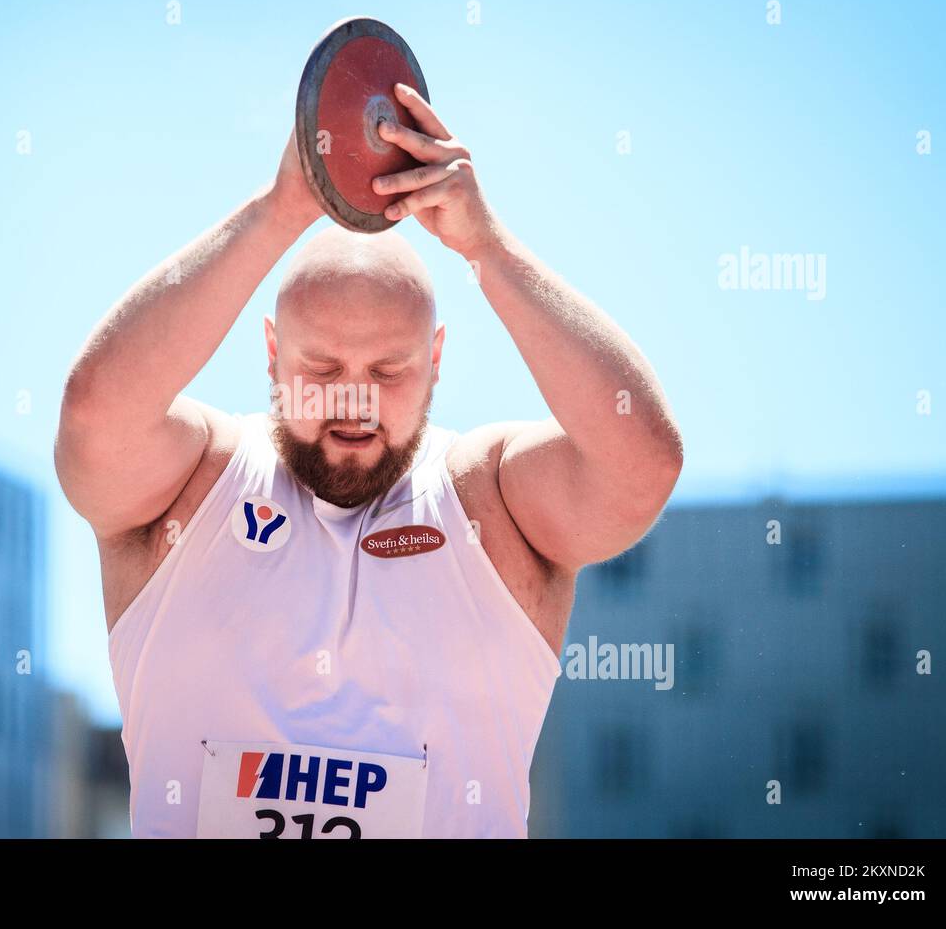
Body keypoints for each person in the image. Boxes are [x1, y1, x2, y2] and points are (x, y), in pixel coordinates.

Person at [55, 83, 683, 838]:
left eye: (388, 372)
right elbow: (94, 420)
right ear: (271, 352)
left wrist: (487, 248)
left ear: (437, 361)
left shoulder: (489, 503)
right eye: (321, 369)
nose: (353, 400)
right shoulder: (192, 485)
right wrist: (279, 209)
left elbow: (641, 463)